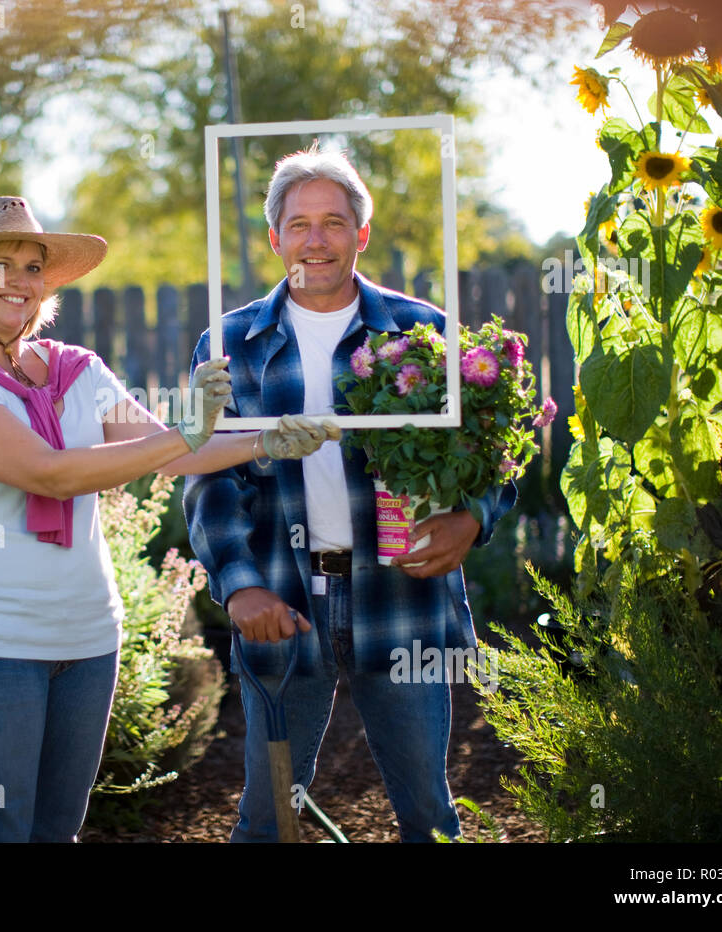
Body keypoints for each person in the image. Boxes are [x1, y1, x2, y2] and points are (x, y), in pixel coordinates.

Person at [0, 196, 341, 842]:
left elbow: (172, 452)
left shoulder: (77, 371)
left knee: (58, 832)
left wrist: (268, 439)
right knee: (2, 829)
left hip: (88, 639)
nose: (21, 281)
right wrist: (184, 436)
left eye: (33, 265)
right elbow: (52, 472)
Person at [183, 146, 518, 842]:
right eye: (299, 224)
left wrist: (471, 518)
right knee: (269, 815)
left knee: (428, 814)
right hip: (285, 600)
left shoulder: (422, 332)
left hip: (401, 598)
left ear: (361, 235)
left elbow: (494, 452)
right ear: (274, 238)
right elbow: (208, 475)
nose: (316, 239)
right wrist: (239, 585)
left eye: (333, 222)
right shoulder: (231, 344)